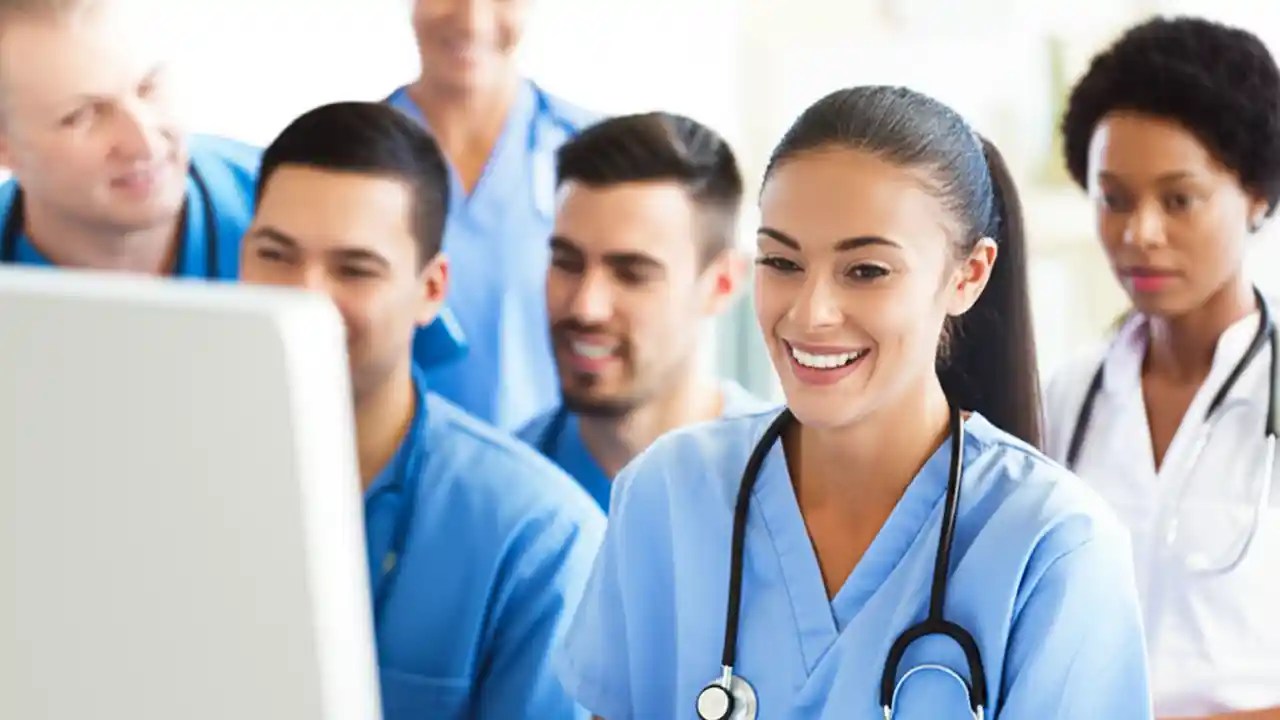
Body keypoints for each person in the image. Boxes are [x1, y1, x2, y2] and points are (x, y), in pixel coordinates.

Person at [555, 85, 1154, 719]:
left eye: (866, 271)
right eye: (782, 262)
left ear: (968, 275)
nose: (810, 313)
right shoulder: (669, 495)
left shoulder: (1053, 546)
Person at [239, 100, 605, 720]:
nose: (305, 296)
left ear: (431, 290)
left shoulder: (537, 538)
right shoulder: (158, 480)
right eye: (275, 255)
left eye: (355, 269)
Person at [1044, 16, 1280, 720]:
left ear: (1257, 195)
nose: (1138, 233)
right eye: (1113, 198)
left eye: (1179, 200)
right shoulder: (1066, 398)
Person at [516, 112, 774, 509]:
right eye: (567, 262)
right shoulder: (501, 495)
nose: (586, 307)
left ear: (722, 284)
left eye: (632, 274)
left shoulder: (793, 486)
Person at [386, 0, 599, 431]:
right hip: (399, 464)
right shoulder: (348, 164)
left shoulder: (594, 159)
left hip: (557, 464)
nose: (472, 19)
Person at [0, 0, 256, 278]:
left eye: (149, 87)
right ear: (5, 148)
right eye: (81, 116)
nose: (145, 145)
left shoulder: (280, 201)